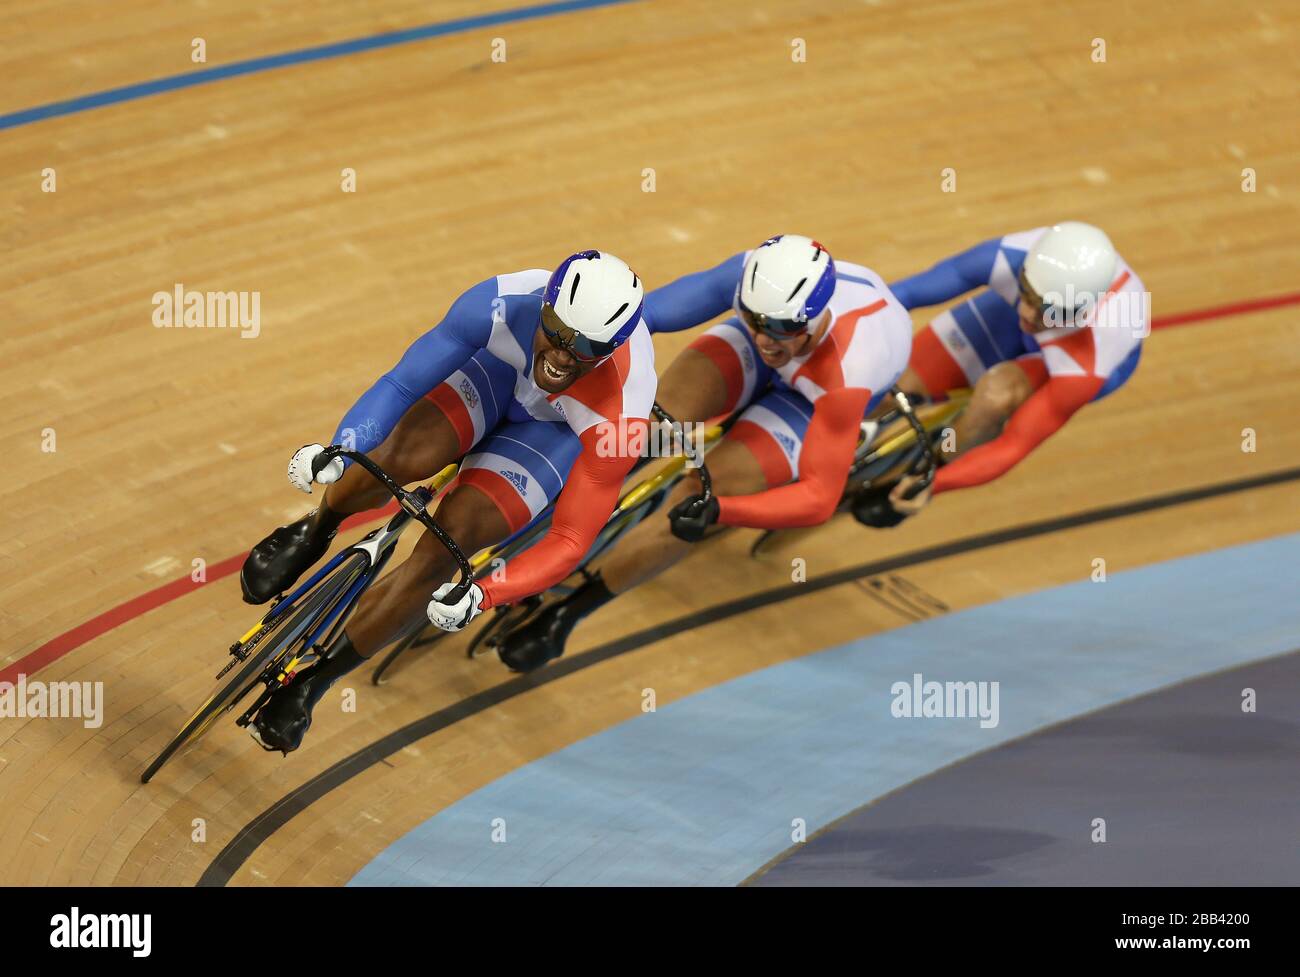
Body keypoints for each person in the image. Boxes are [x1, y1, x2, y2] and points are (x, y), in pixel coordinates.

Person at [239, 250, 655, 753]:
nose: (566, 354)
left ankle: (315, 681)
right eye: (558, 331)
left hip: (555, 432)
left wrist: (484, 594)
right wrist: (339, 449)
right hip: (498, 376)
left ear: (613, 348)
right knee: (401, 455)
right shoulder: (501, 302)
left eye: (588, 347)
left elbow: (570, 538)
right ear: (544, 305)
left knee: (450, 547)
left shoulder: (622, 415)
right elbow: (400, 383)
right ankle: (317, 528)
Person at [496, 235, 913, 672]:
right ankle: (537, 522)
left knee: (697, 497)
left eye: (779, 327)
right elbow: (645, 318)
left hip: (815, 398)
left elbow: (819, 497)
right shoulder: (754, 280)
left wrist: (720, 510)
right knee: (642, 431)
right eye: (753, 317)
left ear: (813, 317)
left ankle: (569, 612)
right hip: (763, 354)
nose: (765, 336)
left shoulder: (851, 370)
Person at [857, 221, 1147, 526]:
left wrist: (936, 484)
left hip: (1067, 355)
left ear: (1081, 310)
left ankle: (934, 462)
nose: (1029, 315)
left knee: (995, 398)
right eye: (1029, 296)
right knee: (895, 386)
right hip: (1006, 319)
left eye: (1048, 309)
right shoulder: (1009, 255)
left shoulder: (1092, 356)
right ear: (1026, 272)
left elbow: (1013, 445)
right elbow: (902, 295)